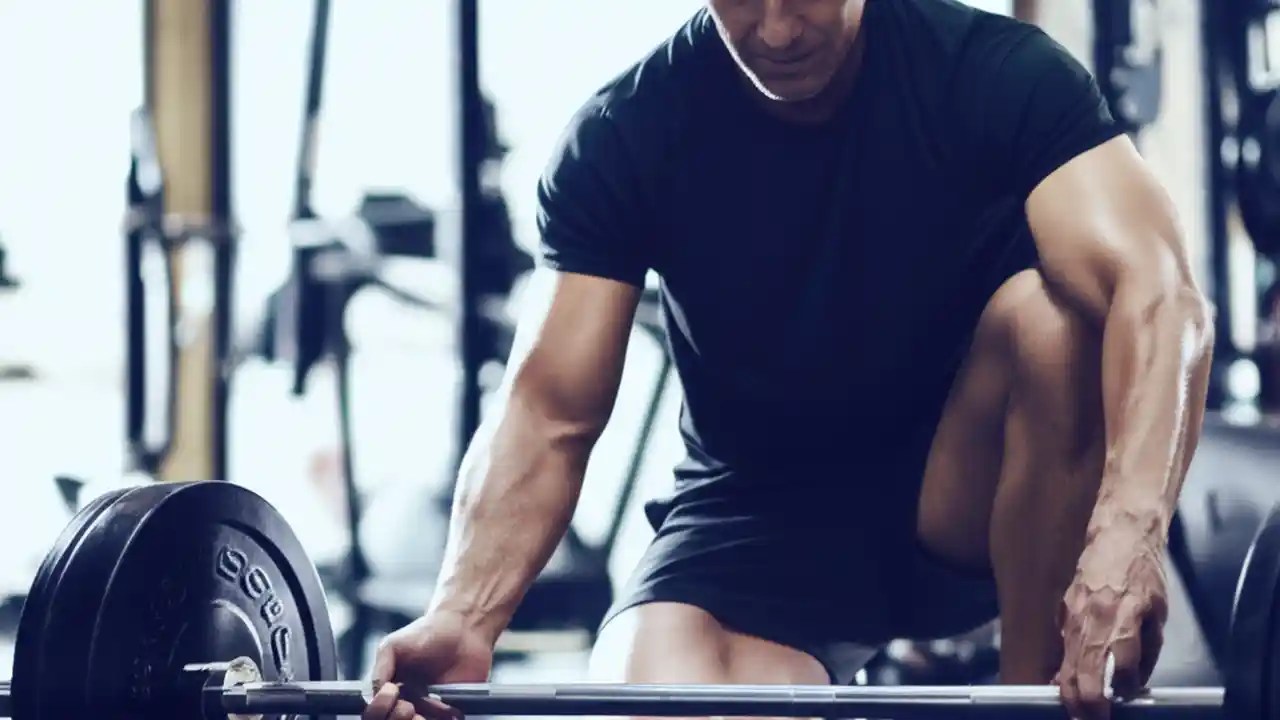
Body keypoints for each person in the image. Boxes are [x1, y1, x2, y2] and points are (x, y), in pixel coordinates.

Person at [364, 2, 1214, 720]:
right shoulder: (627, 133)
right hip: (758, 513)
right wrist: (464, 614)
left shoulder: (995, 75)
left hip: (964, 497)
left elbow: (1160, 295)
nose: (773, 31)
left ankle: (1041, 691)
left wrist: (1127, 542)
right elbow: (547, 411)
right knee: (645, 695)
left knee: (1057, 321)